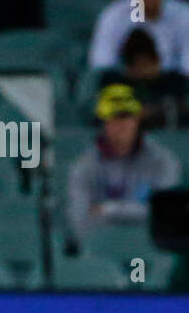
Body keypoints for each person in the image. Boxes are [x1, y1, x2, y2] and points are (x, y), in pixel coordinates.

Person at [66, 84, 182, 245]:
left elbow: (164, 216)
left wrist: (108, 209)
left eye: (126, 116)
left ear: (136, 119)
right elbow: (80, 218)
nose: (121, 125)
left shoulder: (162, 161)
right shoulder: (84, 165)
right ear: (104, 122)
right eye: (114, 117)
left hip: (150, 245)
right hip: (101, 246)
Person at [90, 0, 189, 76]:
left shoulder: (184, 15)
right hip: (125, 84)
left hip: (172, 87)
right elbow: (101, 64)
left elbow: (187, 68)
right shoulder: (114, 16)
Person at [98, 28, 189, 130]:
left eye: (147, 64)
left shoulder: (175, 82)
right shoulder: (113, 83)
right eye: (139, 66)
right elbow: (102, 113)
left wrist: (155, 111)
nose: (144, 71)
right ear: (129, 68)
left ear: (157, 62)